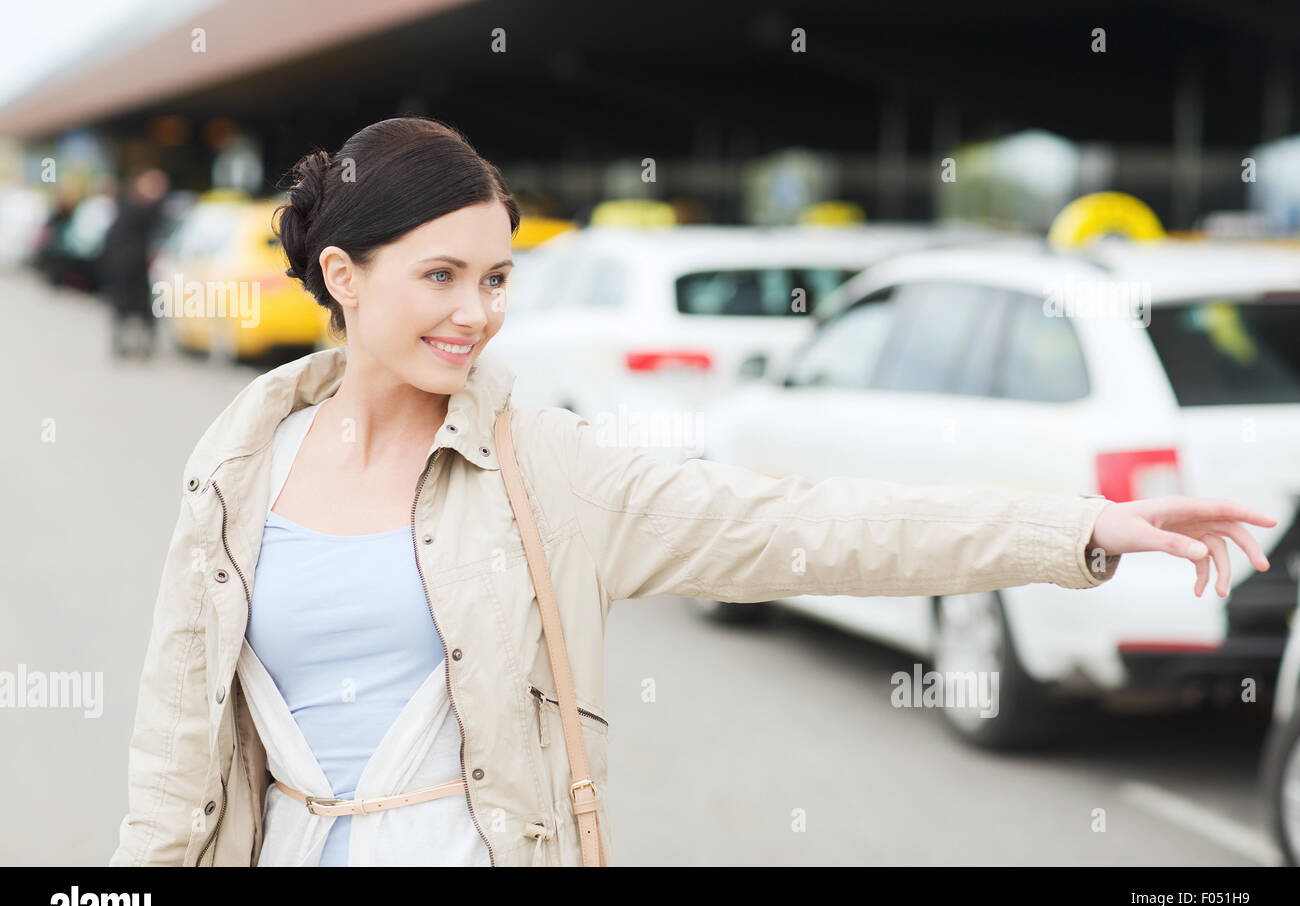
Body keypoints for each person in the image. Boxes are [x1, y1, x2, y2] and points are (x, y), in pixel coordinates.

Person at [108, 116, 1276, 867]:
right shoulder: (235, 466)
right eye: (442, 276)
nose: (477, 311)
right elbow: (175, 753)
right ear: (342, 275)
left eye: (499, 276)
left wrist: (1074, 526)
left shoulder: (545, 467)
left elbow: (806, 526)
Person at [100, 168, 169, 358]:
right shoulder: (133, 207)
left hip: (138, 267)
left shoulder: (149, 208)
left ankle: (143, 347)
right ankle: (124, 345)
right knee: (125, 307)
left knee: (144, 309)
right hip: (127, 266)